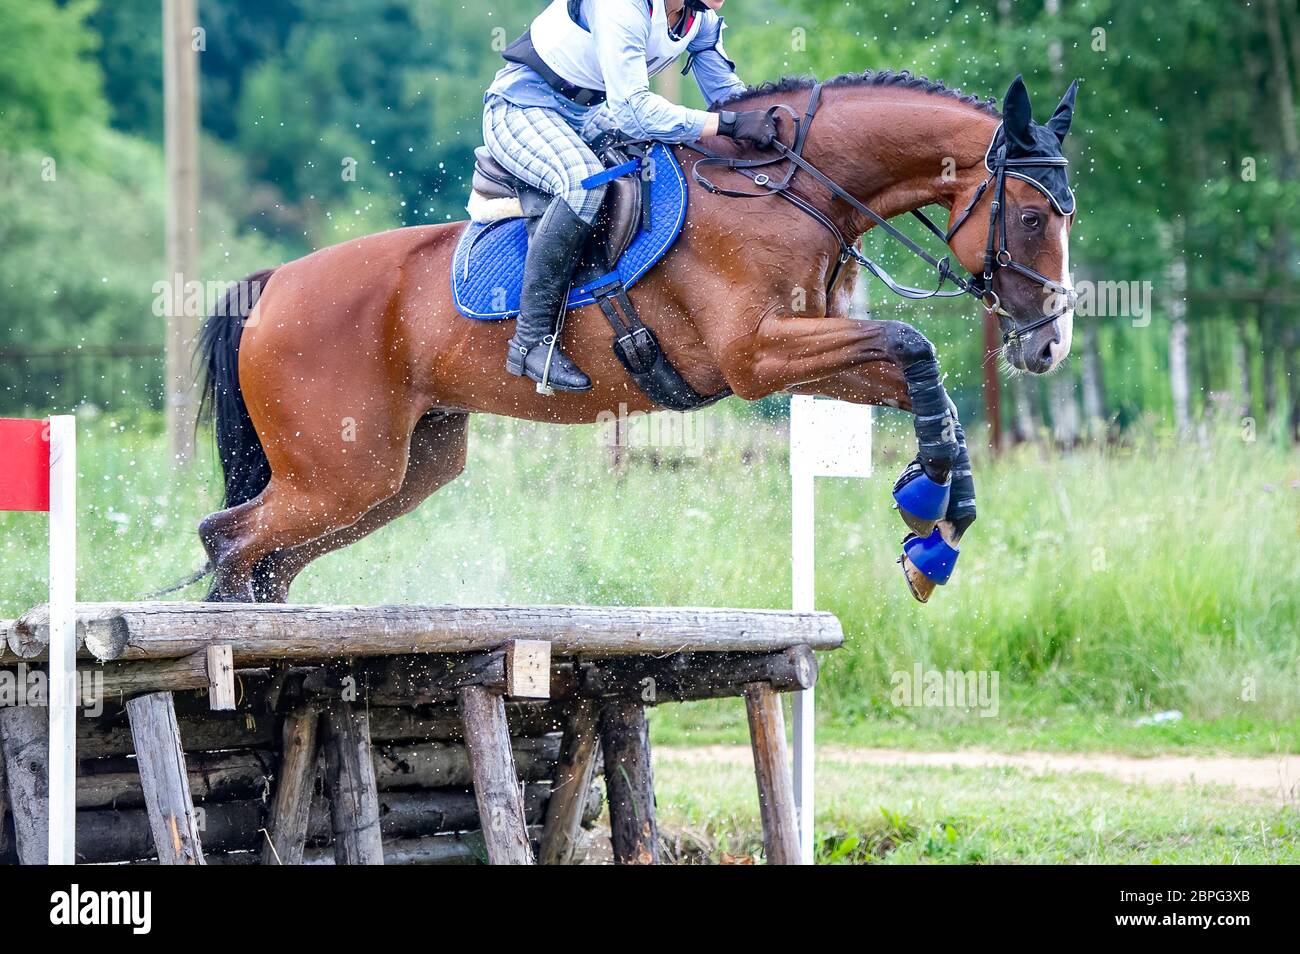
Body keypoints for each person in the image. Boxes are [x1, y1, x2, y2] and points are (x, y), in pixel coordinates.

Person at [484, 0, 778, 392]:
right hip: (522, 105)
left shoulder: (700, 19)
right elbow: (634, 113)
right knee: (583, 183)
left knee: (676, 155)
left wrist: (768, 132)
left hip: (589, 113)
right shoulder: (621, 6)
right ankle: (531, 341)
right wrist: (727, 124)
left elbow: (728, 99)